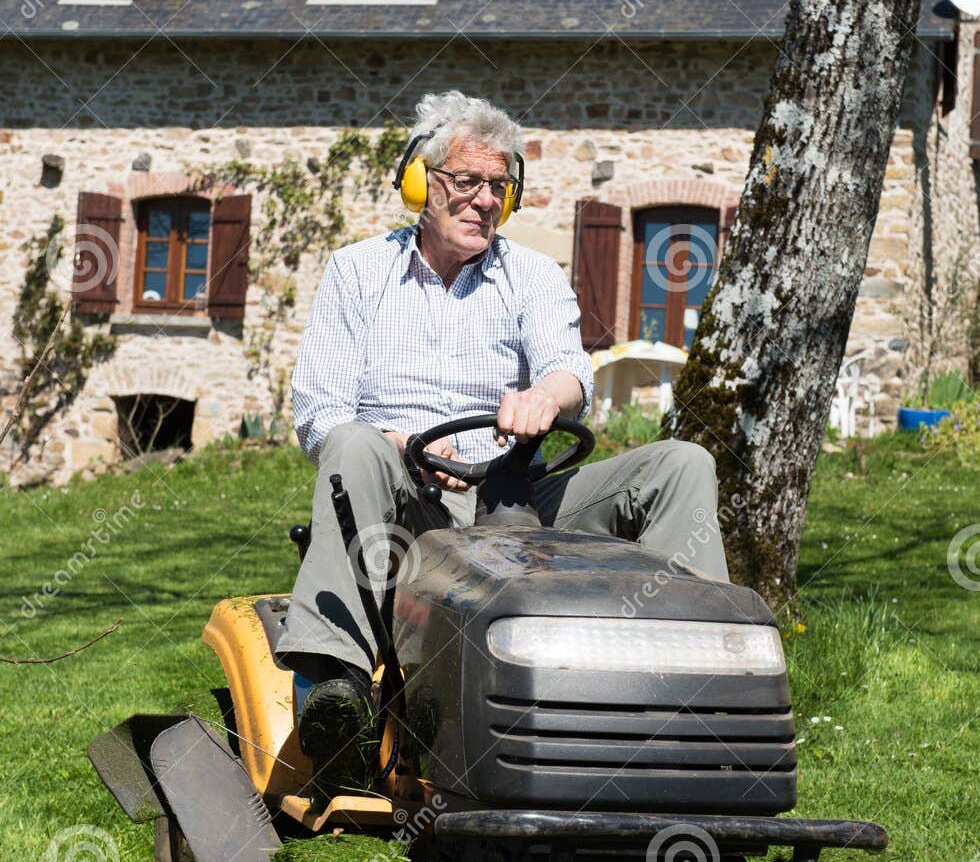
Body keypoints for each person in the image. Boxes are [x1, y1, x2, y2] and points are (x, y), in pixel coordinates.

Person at [276, 89, 728, 798]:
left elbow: (568, 367)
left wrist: (544, 397)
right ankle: (336, 693)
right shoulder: (357, 273)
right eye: (465, 181)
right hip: (407, 509)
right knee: (353, 441)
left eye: (499, 186)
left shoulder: (532, 276)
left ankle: (700, 691)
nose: (484, 200)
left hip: (518, 509)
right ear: (421, 184)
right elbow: (318, 414)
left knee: (681, 464)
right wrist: (399, 446)